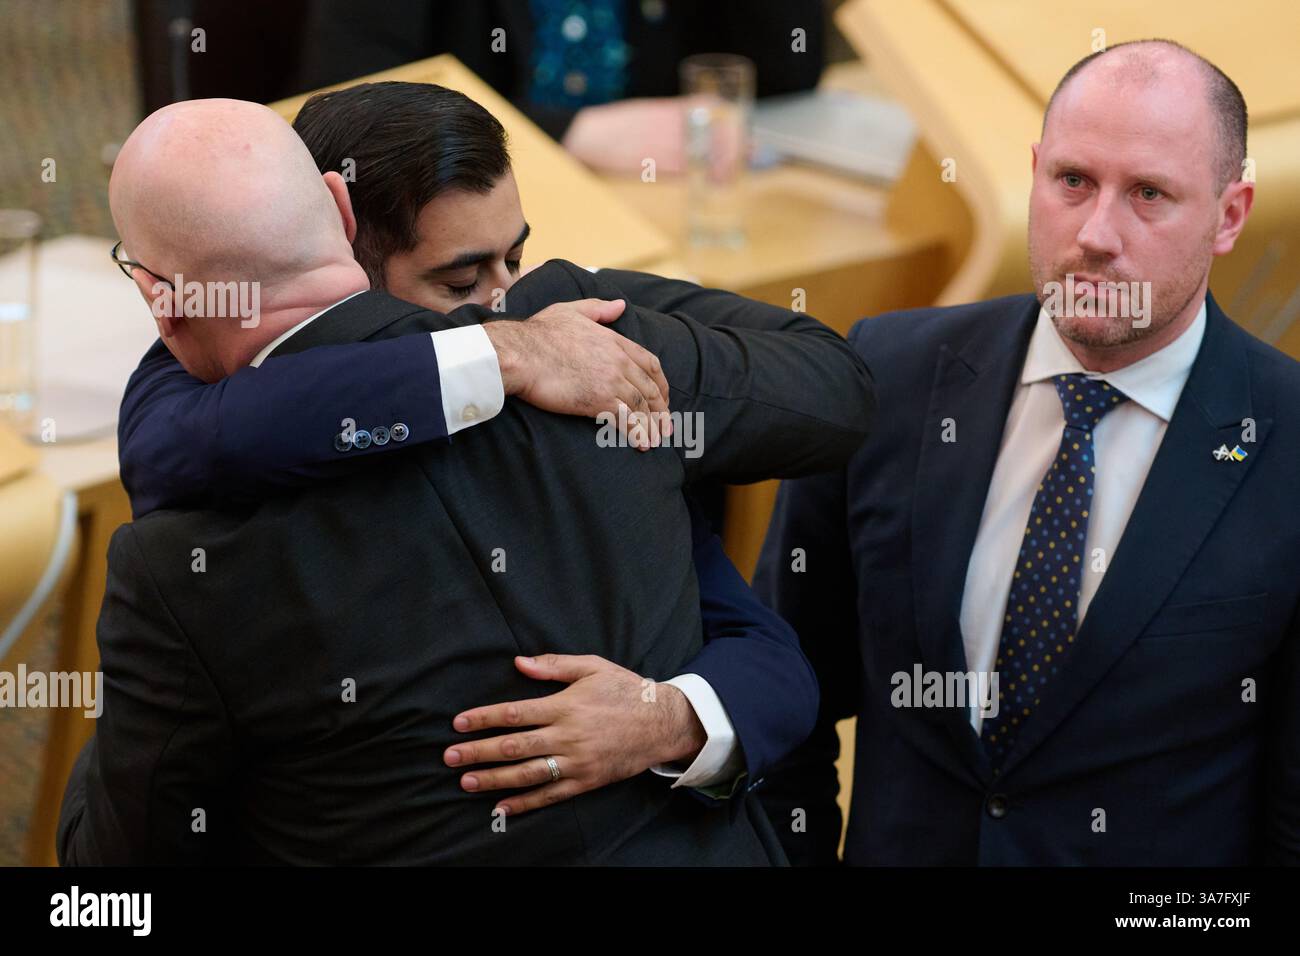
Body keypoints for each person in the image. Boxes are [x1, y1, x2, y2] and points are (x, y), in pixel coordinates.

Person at [57, 97, 870, 864]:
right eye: (460, 284)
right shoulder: (587, 358)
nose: (503, 302)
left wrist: (672, 719)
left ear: (161, 300)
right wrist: (505, 353)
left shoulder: (590, 345)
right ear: (344, 222)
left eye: (514, 261)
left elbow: (118, 859)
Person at [755, 39, 1300, 865]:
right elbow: (783, 697)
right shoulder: (887, 376)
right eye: (1073, 182)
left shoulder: (1287, 443)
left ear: (1230, 214)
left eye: (1149, 194)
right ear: (1035, 171)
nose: (1096, 234)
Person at [298, 0, 824, 171]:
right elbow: (353, 108)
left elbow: (788, 69)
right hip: (474, 213)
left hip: (659, 200)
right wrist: (572, 131)